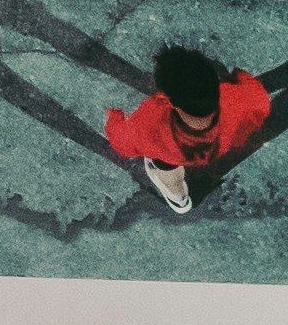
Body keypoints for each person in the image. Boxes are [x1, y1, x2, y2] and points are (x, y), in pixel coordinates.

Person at [105, 45, 272, 213]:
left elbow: (122, 142)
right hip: (219, 144)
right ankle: (180, 199)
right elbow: (257, 99)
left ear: (171, 100)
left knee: (170, 173)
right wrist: (240, 77)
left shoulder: (153, 121)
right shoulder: (238, 99)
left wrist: (114, 118)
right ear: (216, 82)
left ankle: (179, 197)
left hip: (171, 151)